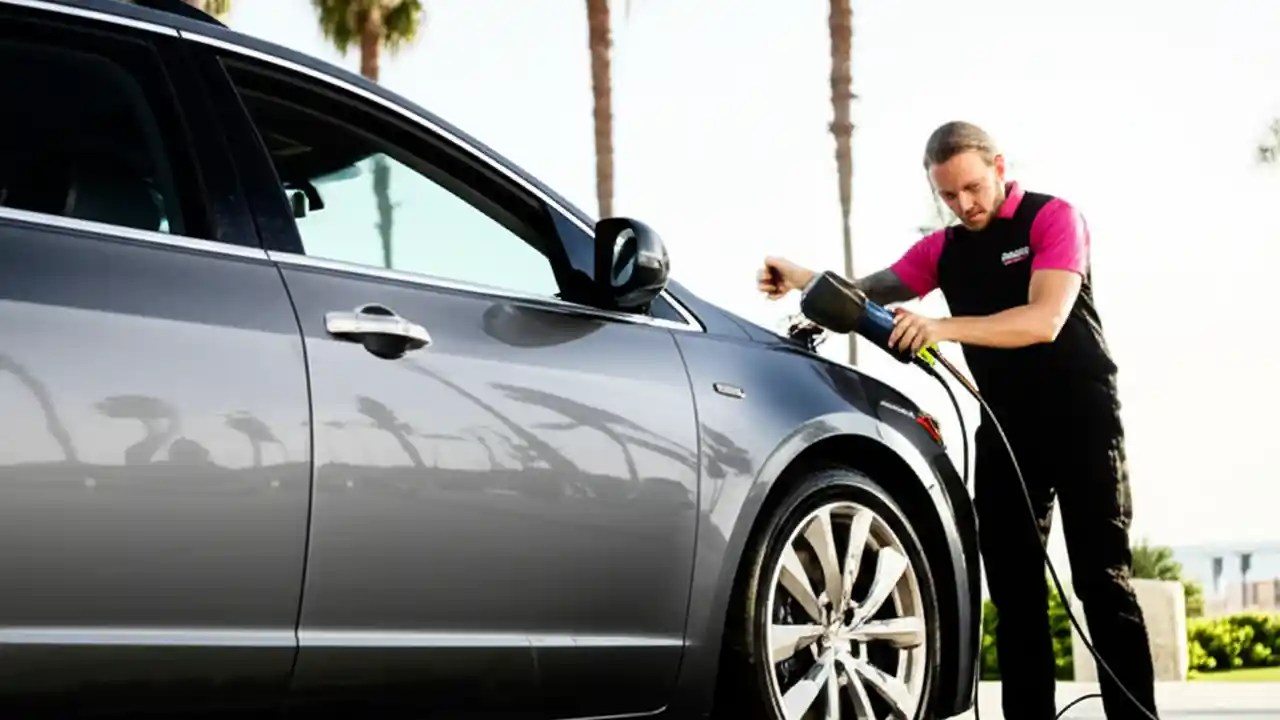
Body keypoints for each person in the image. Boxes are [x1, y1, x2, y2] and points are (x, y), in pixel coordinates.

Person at [757, 121, 1159, 720]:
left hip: (1082, 420)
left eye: (972, 187)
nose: (964, 204)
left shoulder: (1053, 220)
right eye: (948, 195)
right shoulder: (942, 251)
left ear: (999, 167)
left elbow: (1042, 321)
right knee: (1015, 593)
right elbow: (862, 298)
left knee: (1101, 584)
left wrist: (941, 327)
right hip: (1005, 429)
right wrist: (801, 278)